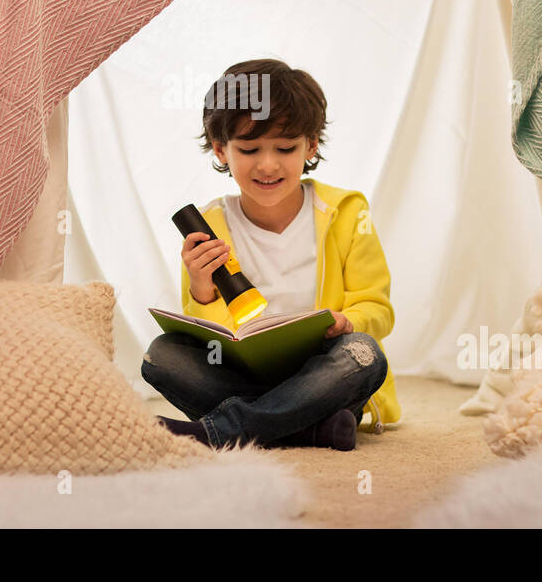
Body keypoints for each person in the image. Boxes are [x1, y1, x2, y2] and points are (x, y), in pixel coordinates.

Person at [141, 58, 399, 451]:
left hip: (322, 375)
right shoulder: (209, 225)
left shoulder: (346, 212)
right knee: (163, 356)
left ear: (311, 145)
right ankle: (309, 429)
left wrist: (349, 321)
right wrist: (202, 290)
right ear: (221, 149)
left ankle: (222, 430)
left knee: (362, 354)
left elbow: (378, 309)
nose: (267, 165)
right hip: (245, 376)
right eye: (249, 149)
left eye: (285, 148)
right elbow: (207, 339)